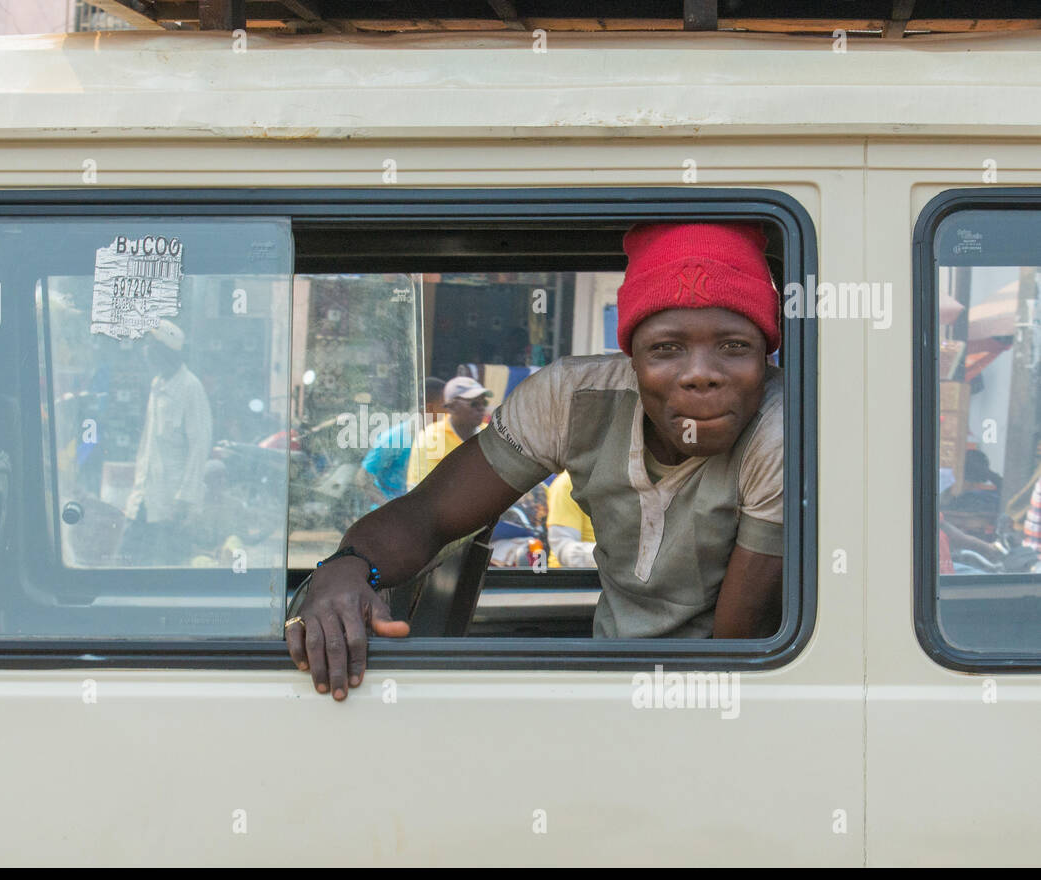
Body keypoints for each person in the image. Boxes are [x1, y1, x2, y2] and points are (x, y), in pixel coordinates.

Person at [287, 221, 787, 700]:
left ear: (766, 357)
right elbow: (431, 513)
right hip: (609, 677)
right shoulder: (574, 397)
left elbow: (734, 649)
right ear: (631, 360)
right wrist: (350, 567)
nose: (701, 375)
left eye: (734, 346)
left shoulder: (780, 429)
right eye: (666, 349)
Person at [121, 320, 212, 566]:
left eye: (151, 346)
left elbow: (199, 447)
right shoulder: (157, 385)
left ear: (166, 352)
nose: (145, 351)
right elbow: (148, 445)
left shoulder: (190, 388)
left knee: (168, 566)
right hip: (145, 495)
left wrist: (185, 499)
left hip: (172, 504)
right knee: (126, 560)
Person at [355, 377, 447, 507]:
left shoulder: (443, 435)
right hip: (393, 520)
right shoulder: (395, 438)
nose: (451, 410)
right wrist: (390, 508)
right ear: (430, 408)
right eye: (446, 405)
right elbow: (362, 478)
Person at [405, 375, 491, 487]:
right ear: (451, 406)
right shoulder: (430, 438)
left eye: (484, 403)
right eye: (474, 404)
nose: (481, 408)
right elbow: (422, 491)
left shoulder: (492, 434)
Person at [547, 470, 596, 568]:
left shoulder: (626, 485)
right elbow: (562, 547)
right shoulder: (568, 484)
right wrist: (613, 557)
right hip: (574, 577)